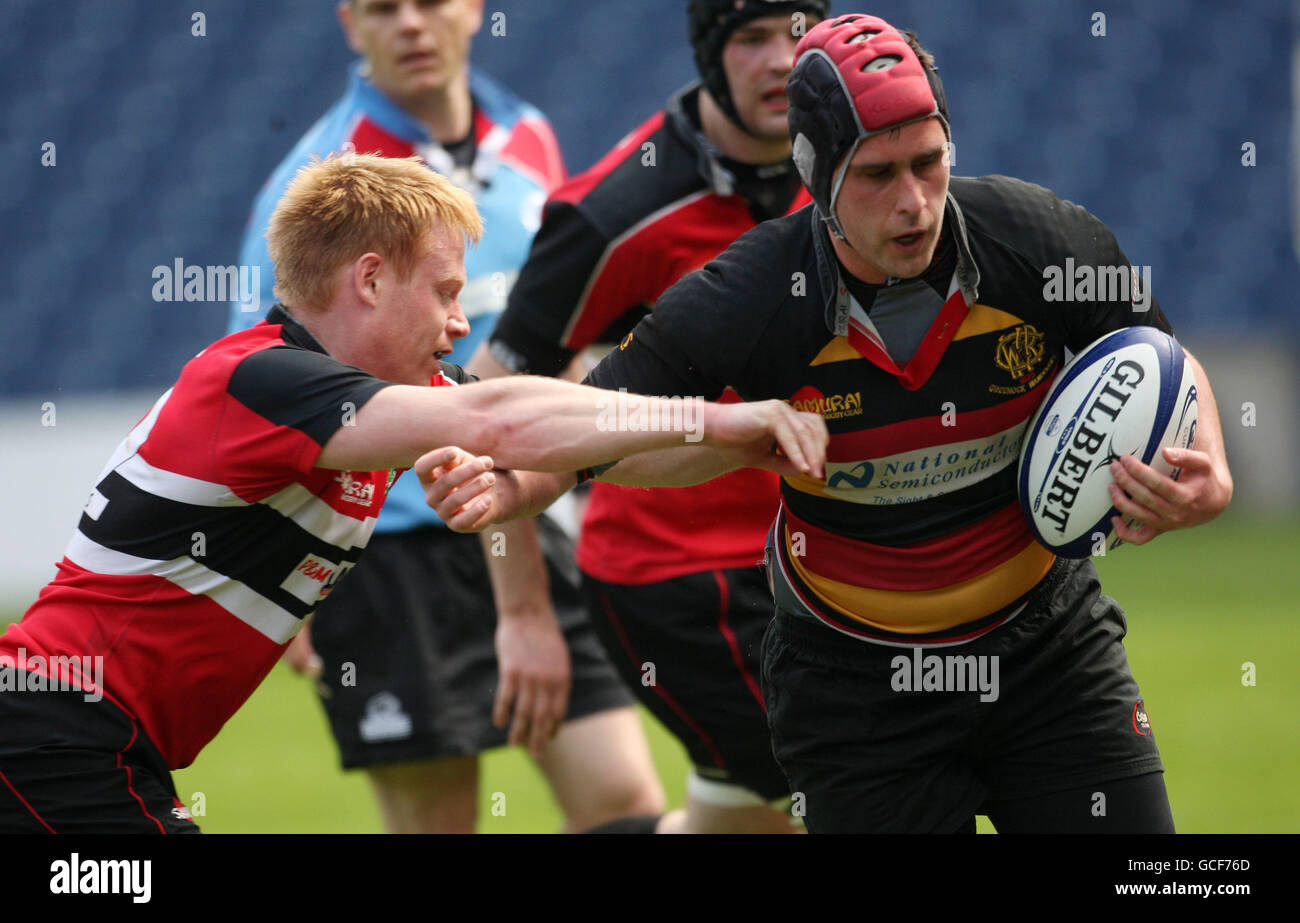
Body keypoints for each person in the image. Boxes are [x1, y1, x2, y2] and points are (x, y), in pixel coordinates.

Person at [426, 14, 1234, 834]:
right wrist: (519, 483)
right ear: (815, 174)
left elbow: (1159, 352)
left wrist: (1206, 459)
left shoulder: (1038, 239)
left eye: (929, 161)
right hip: (856, 695)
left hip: (1048, 656)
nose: (914, 202)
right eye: (878, 174)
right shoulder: (747, 292)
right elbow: (606, 421)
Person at [0, 154, 826, 833]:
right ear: (369, 279)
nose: (460, 321)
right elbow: (502, 413)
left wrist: (753, 447)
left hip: (97, 739)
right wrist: (717, 420)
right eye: (445, 290)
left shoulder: (383, 397)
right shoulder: (258, 377)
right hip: (56, 726)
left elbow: (589, 448)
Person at [227, 0, 663, 834]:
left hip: (523, 521)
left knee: (624, 803)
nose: (412, 26)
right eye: (384, 9)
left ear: (474, 10)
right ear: (351, 24)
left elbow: (558, 332)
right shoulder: (321, 185)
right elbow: (261, 379)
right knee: (438, 824)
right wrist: (275, 571)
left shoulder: (529, 138)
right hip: (385, 552)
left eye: (430, 2)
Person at [469, 0, 829, 834]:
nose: (782, 60)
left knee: (748, 820)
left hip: (819, 554)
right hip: (680, 580)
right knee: (846, 781)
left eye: (800, 32)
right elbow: (486, 413)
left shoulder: (865, 169)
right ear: (711, 52)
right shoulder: (612, 212)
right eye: (751, 39)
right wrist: (524, 617)